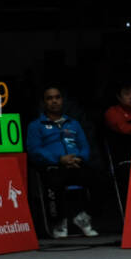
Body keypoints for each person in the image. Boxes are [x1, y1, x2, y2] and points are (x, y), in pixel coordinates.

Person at [25, 86, 100, 238]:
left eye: (57, 97)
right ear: (44, 102)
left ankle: (83, 218)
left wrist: (78, 158)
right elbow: (34, 150)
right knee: (54, 182)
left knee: (101, 180)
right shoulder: (35, 126)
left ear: (62, 100)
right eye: (50, 98)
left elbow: (84, 146)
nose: (54, 101)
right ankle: (59, 223)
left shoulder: (73, 123)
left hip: (76, 164)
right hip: (54, 166)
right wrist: (59, 159)